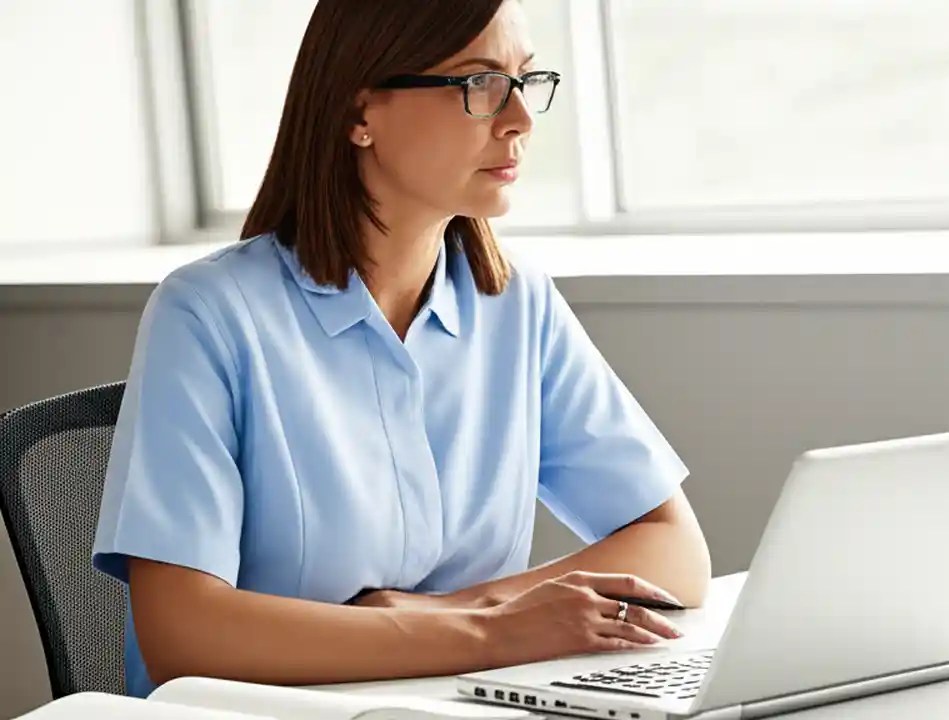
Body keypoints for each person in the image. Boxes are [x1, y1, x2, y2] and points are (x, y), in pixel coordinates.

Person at [92, 0, 710, 698]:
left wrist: (467, 611)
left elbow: (674, 549)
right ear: (360, 113)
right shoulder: (209, 313)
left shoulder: (516, 304)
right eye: (479, 84)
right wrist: (493, 634)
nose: (520, 119)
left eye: (524, 81)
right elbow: (182, 634)